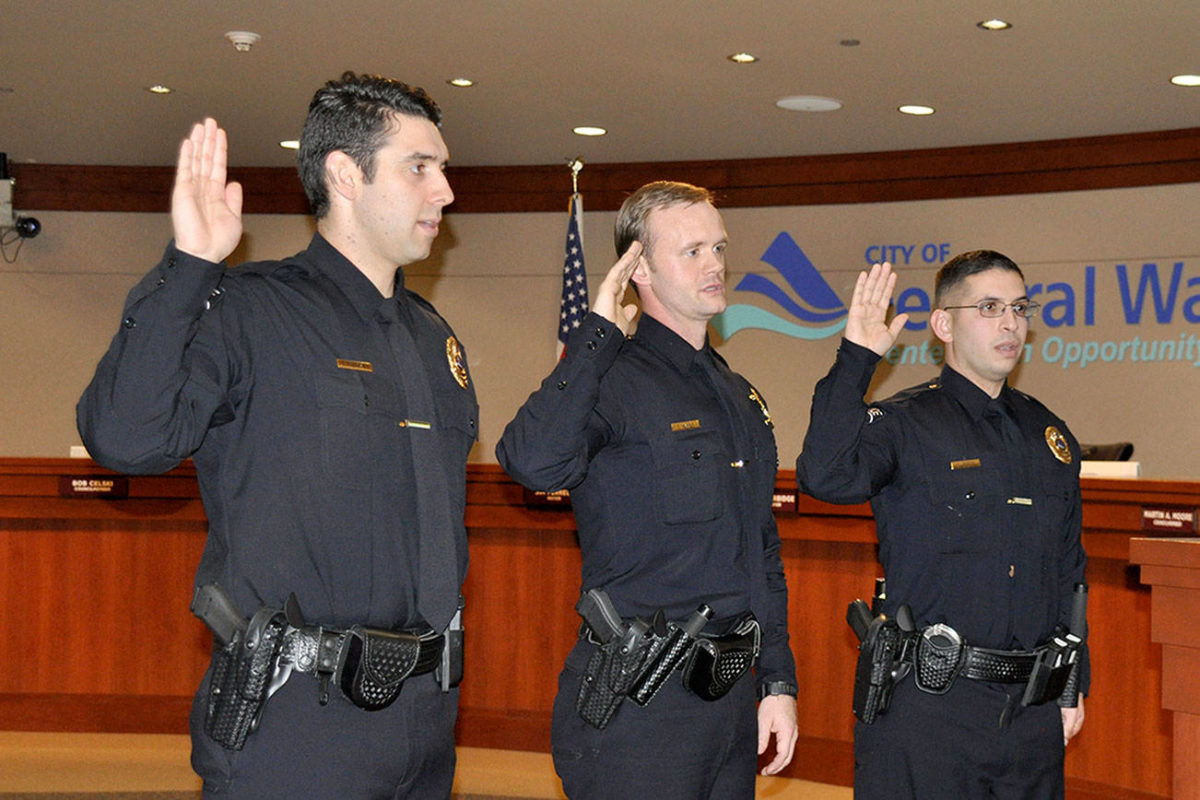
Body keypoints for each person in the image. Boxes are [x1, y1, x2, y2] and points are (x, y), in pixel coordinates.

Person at [77, 72, 477, 798]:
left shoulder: (434, 340)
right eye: (421, 167)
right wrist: (192, 265)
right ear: (345, 175)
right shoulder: (250, 310)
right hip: (298, 721)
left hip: (426, 723)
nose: (445, 190)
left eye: (443, 168)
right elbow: (126, 438)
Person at [496, 181, 799, 799]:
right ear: (639, 267)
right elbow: (531, 463)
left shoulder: (738, 396)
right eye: (692, 251)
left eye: (718, 247)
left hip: (731, 701)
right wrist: (595, 337)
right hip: (640, 703)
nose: (714, 264)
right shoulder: (611, 378)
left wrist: (777, 683)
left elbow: (761, 554)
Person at [796, 253, 1088, 799]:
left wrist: (1072, 681)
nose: (1011, 323)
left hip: (1031, 708)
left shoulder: (1048, 434)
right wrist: (856, 358)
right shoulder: (905, 423)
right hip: (931, 705)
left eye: (1020, 309)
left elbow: (1070, 569)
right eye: (990, 307)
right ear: (944, 324)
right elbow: (825, 476)